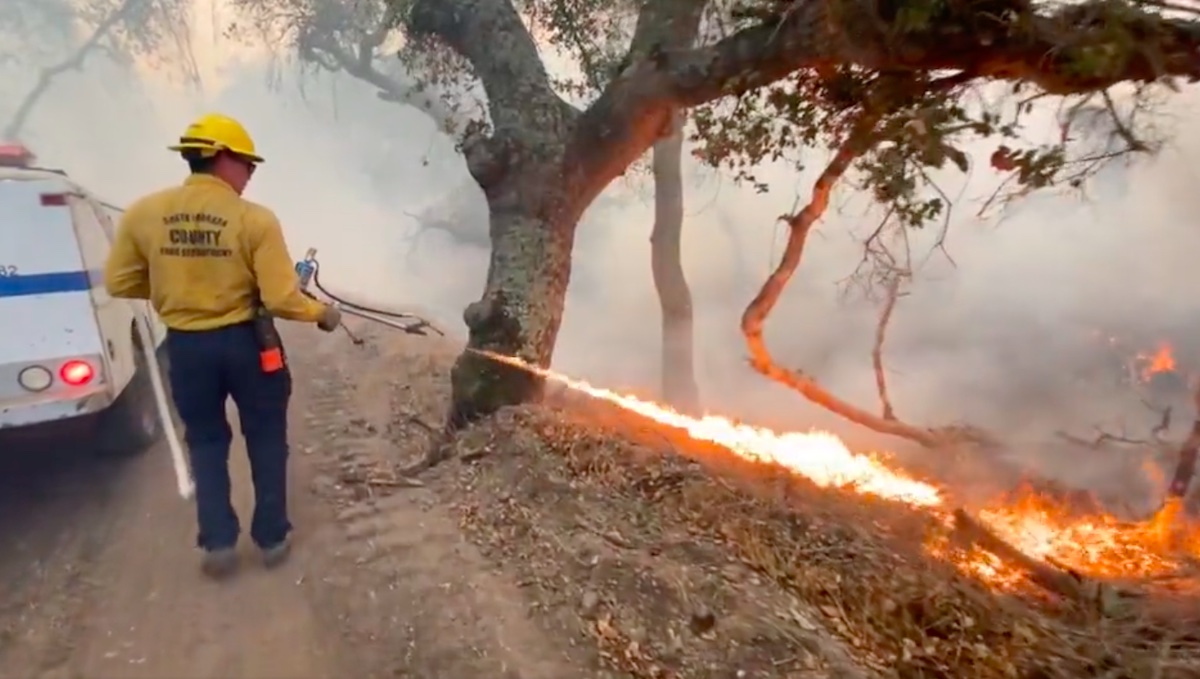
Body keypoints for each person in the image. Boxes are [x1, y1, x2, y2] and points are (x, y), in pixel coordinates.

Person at [104, 112, 342, 579]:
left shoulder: (143, 214)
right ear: (220, 157)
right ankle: (271, 537)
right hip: (248, 345)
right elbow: (280, 297)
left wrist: (177, 291)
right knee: (267, 436)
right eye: (247, 164)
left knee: (207, 441)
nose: (251, 173)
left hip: (187, 348)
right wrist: (322, 314)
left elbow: (120, 281)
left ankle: (217, 543)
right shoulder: (253, 220)